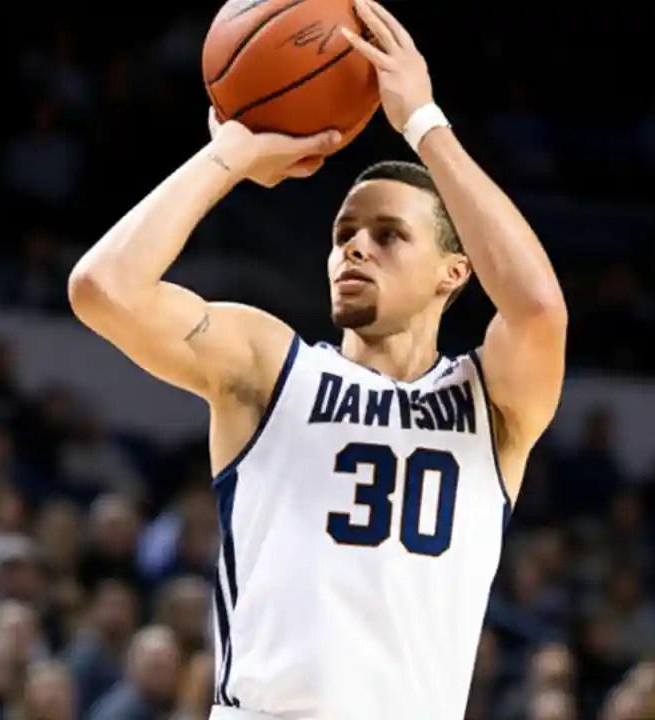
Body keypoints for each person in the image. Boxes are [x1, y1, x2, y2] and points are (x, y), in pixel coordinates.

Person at [68, 1, 567, 718]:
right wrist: (232, 153)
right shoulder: (271, 369)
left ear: (453, 273)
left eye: (389, 234)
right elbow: (102, 288)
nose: (355, 247)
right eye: (344, 233)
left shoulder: (492, 406)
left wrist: (425, 124)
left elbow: (540, 308)